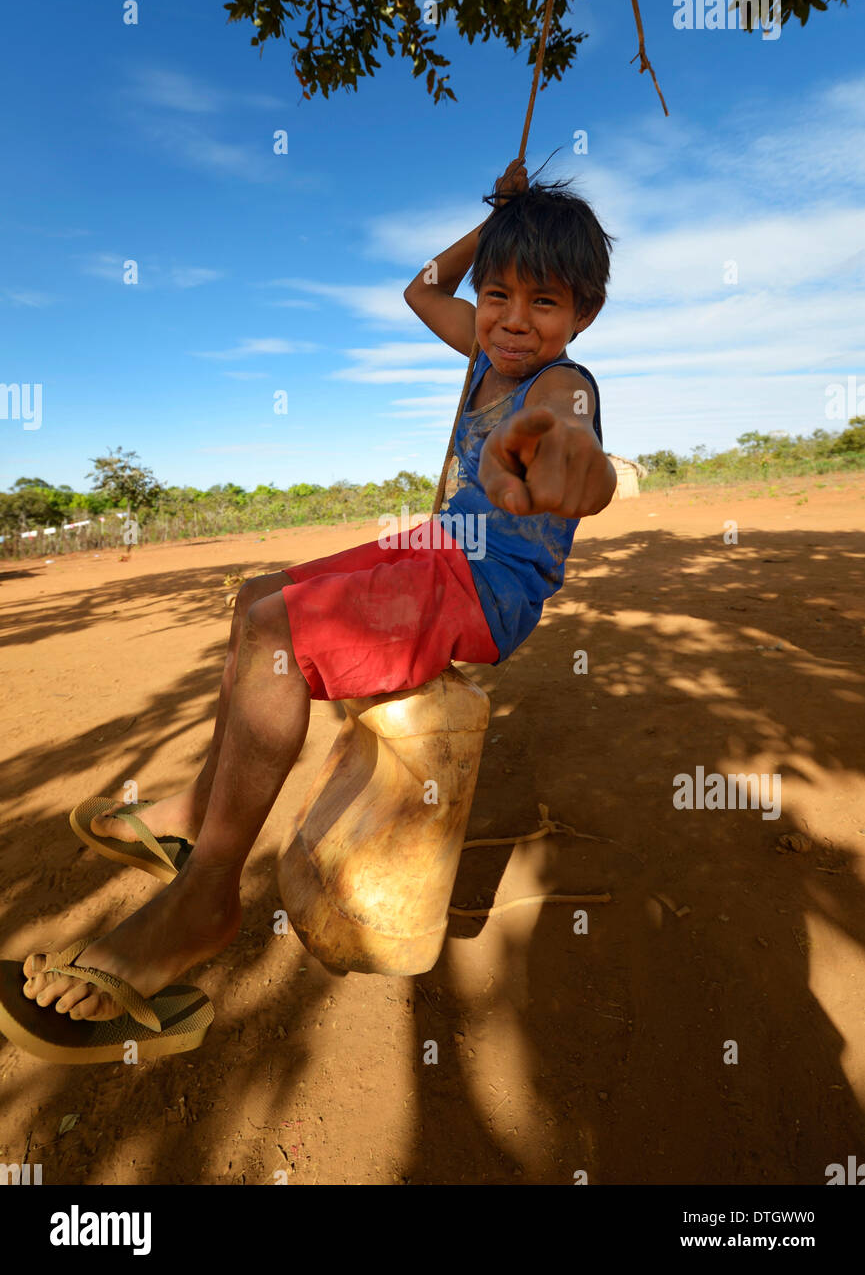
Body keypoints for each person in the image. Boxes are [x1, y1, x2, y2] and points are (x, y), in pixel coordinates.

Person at [11, 157, 617, 1045]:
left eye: (545, 304)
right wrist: (503, 214)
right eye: (499, 295)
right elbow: (420, 290)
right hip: (438, 546)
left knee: (273, 634)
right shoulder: (479, 348)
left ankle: (203, 900)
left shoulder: (562, 384)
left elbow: (571, 439)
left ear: (582, 316)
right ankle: (188, 817)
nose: (514, 322)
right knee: (258, 595)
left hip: (484, 587)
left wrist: (562, 459)